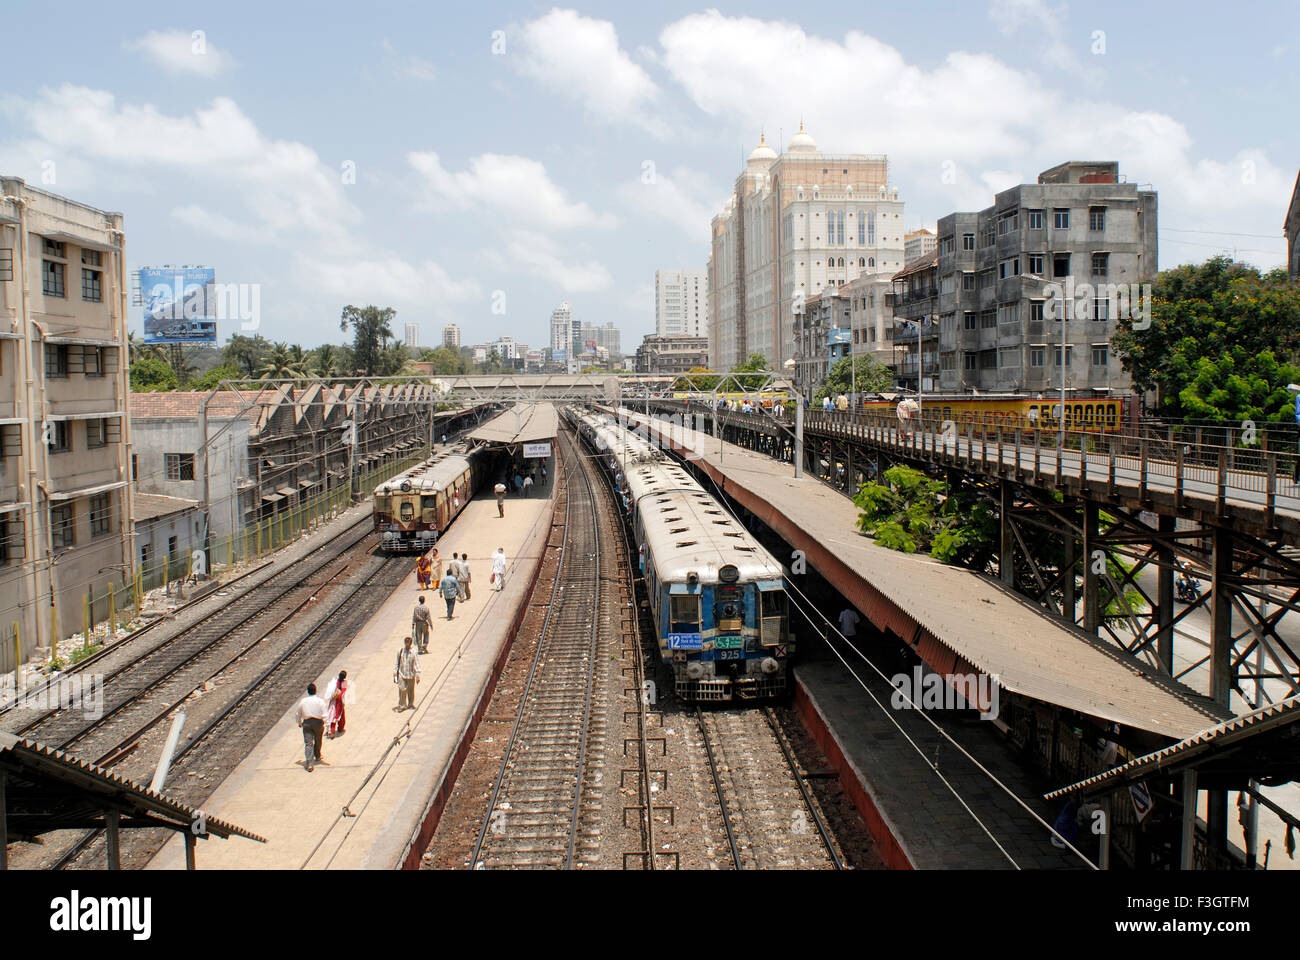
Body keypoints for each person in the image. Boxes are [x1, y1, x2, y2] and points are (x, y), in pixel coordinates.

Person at [295, 683, 328, 771]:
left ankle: (309, 763)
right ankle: (317, 756)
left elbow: (298, 713)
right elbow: (325, 713)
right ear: (315, 691)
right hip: (318, 723)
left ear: (308, 692)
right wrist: (327, 724)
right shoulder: (320, 701)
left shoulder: (303, 701)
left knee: (308, 743)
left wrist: (299, 722)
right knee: (318, 740)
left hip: (307, 724)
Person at [394, 636, 420, 710]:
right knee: (402, 689)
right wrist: (395, 672)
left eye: (408, 643)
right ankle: (402, 705)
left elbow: (416, 663)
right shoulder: (401, 651)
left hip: (411, 674)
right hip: (402, 674)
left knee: (411, 690)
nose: (407, 645)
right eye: (406, 643)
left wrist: (417, 674)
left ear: (410, 644)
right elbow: (397, 663)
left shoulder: (414, 652)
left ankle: (410, 704)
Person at [324, 670, 347, 738]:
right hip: (339, 701)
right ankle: (340, 728)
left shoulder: (335, 682)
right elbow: (343, 692)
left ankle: (332, 731)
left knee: (332, 716)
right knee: (340, 716)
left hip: (333, 701)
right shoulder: (344, 682)